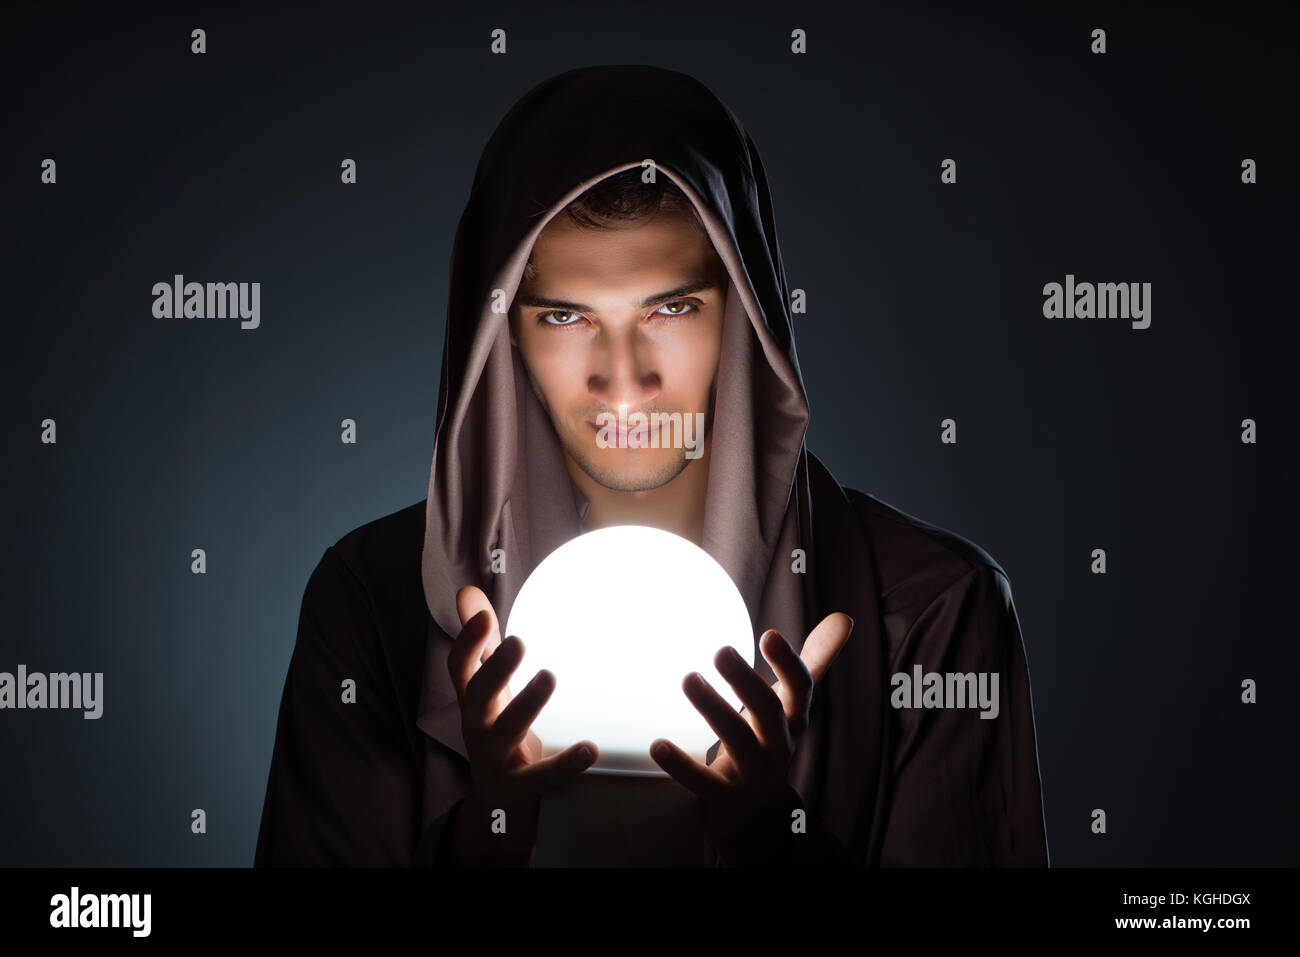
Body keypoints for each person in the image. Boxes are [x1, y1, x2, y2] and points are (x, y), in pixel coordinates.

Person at [253, 64, 1049, 867]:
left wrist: (774, 844)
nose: (624, 381)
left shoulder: (935, 615)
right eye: (566, 315)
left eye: (672, 308)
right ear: (507, 337)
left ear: (745, 318)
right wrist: (485, 840)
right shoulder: (369, 606)